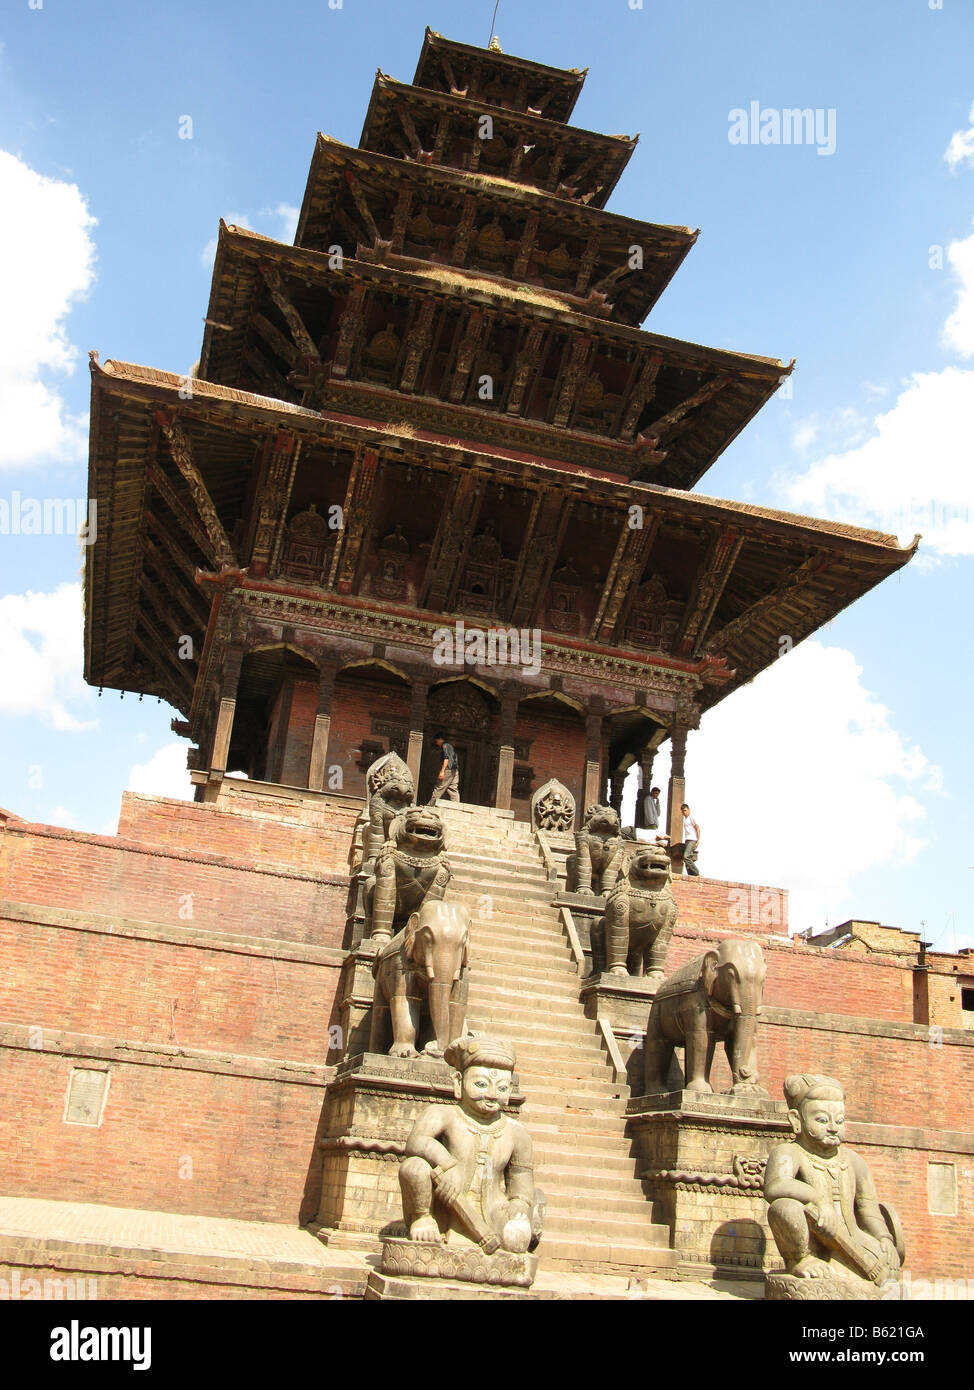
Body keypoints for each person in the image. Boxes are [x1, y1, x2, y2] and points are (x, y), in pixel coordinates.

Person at [398, 1036, 543, 1252]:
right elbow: (417, 1141)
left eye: (502, 1088)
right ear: (458, 1082)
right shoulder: (443, 1115)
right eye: (481, 1084)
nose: (492, 1094)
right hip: (445, 1208)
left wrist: (519, 1204)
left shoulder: (516, 1132)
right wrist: (448, 1165)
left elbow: (521, 1178)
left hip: (494, 1211)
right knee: (414, 1167)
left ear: (511, 1088)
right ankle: (422, 1219)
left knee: (517, 1239)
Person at [764, 1074, 902, 1290]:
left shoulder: (854, 1161)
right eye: (821, 1120)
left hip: (853, 1240)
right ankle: (800, 1260)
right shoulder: (790, 1152)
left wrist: (884, 1239)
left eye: (839, 1121)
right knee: (784, 1207)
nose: (832, 1127)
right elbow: (776, 1186)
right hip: (814, 1238)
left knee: (887, 1265)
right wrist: (818, 1200)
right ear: (796, 1119)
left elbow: (868, 1209)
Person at [429, 731, 460, 804]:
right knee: (453, 788)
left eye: (437, 741)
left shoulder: (445, 746)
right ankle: (456, 805)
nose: (437, 743)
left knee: (439, 787)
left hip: (448, 770)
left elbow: (446, 758)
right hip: (455, 770)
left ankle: (431, 804)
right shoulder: (450, 746)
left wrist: (442, 771)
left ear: (440, 739)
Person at [680, 802, 700, 875]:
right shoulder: (686, 820)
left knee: (686, 857)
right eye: (683, 811)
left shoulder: (692, 818)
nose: (684, 812)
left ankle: (697, 873)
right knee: (688, 859)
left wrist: (698, 841)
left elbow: (697, 829)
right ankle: (691, 875)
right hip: (687, 840)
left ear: (689, 810)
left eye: (685, 810)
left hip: (692, 839)